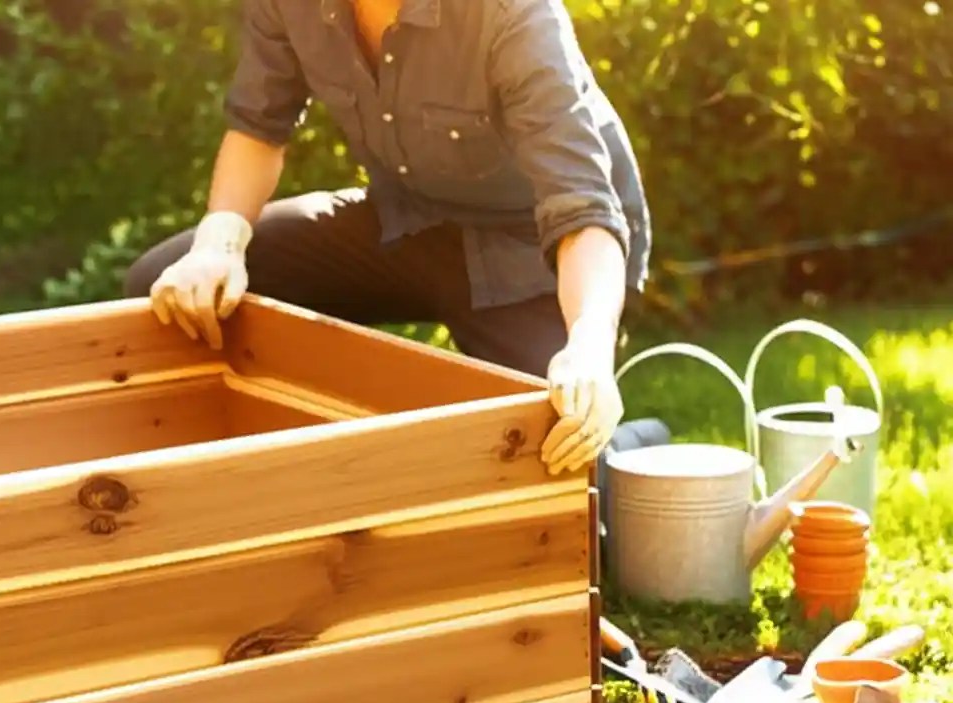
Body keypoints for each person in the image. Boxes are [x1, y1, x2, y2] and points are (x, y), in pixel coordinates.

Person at [123, 0, 652, 476]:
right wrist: (219, 246)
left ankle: (625, 451)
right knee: (173, 293)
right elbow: (258, 128)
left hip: (533, 254)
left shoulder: (514, 11)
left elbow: (582, 210)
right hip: (407, 221)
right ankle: (296, 462)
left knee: (562, 452)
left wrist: (587, 345)